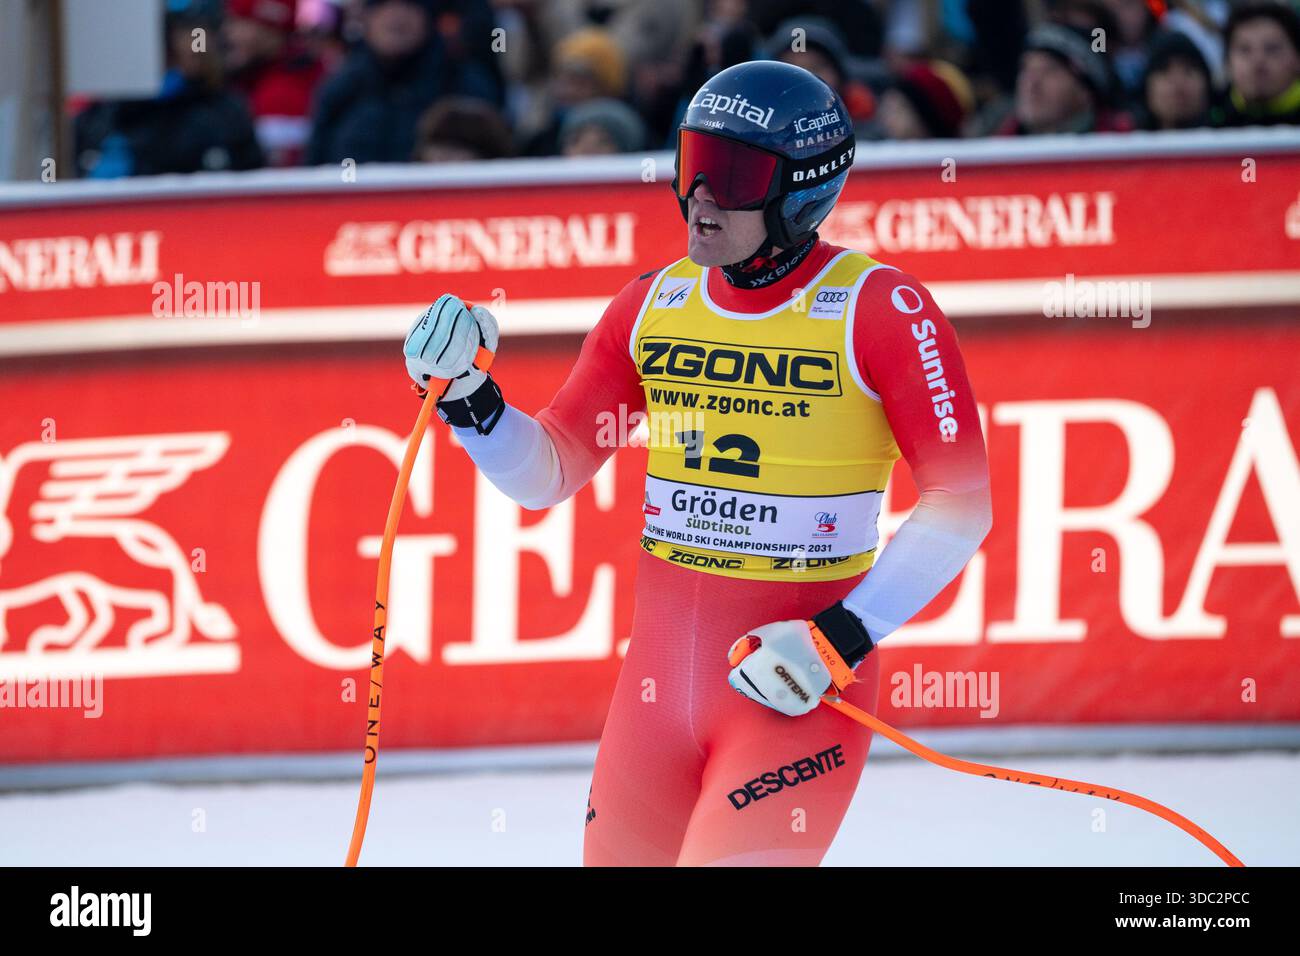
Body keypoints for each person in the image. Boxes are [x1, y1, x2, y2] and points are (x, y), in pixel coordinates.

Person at [402, 61, 992, 866]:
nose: (702, 198)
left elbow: (963, 505)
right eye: (692, 166)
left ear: (801, 189)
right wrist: (471, 398)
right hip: (651, 706)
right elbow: (546, 475)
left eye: (735, 175)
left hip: (791, 695)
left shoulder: (881, 308)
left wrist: (838, 641)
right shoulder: (653, 302)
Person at [223, 0, 324, 166]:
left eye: (240, 22)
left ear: (270, 30)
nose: (229, 33)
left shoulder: (281, 96)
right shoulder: (248, 82)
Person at [1217, 1, 1300, 127]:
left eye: (1272, 49)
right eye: (1244, 50)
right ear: (1227, 62)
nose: (1258, 61)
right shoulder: (1209, 123)